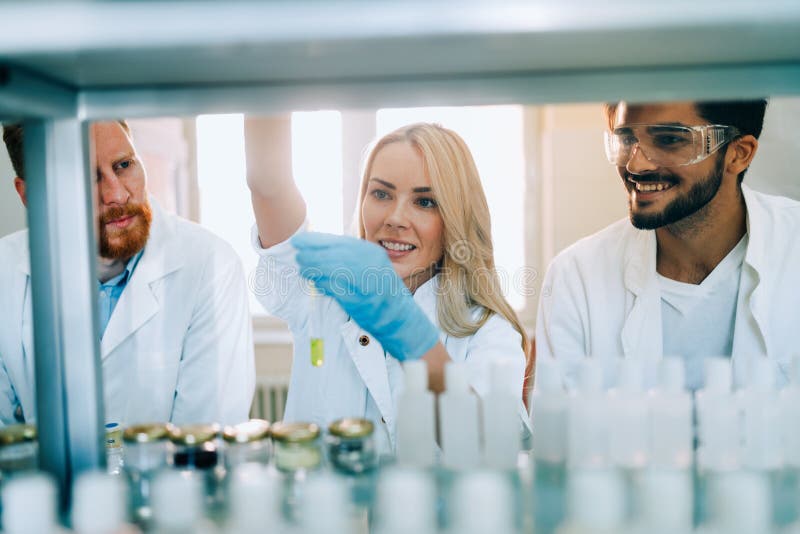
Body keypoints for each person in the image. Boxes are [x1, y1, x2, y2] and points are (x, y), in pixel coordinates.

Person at [248, 121, 530, 451]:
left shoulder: (488, 332)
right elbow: (267, 181)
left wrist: (411, 335)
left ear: (456, 218)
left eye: (425, 202)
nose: (395, 218)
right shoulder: (321, 294)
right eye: (381, 194)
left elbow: (490, 449)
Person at [0, 120, 255, 426]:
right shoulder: (5, 272)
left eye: (124, 164)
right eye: (87, 178)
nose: (117, 195)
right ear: (31, 196)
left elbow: (202, 442)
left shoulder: (211, 266)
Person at [535, 99, 800, 390]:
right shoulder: (576, 276)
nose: (636, 163)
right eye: (626, 139)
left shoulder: (792, 246)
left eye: (669, 140)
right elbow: (559, 431)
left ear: (738, 154)